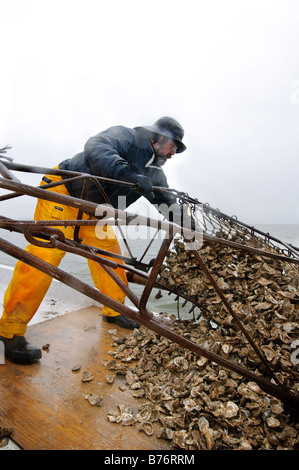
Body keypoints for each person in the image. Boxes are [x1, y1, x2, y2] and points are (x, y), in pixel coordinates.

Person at [0, 116, 187, 364]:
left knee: (109, 255)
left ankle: (114, 310)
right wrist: (127, 173)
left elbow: (166, 201)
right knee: (44, 255)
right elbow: (96, 148)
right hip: (62, 192)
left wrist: (187, 224)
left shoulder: (154, 172)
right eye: (173, 147)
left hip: (93, 211)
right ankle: (9, 331)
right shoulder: (127, 136)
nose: (173, 153)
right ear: (160, 137)